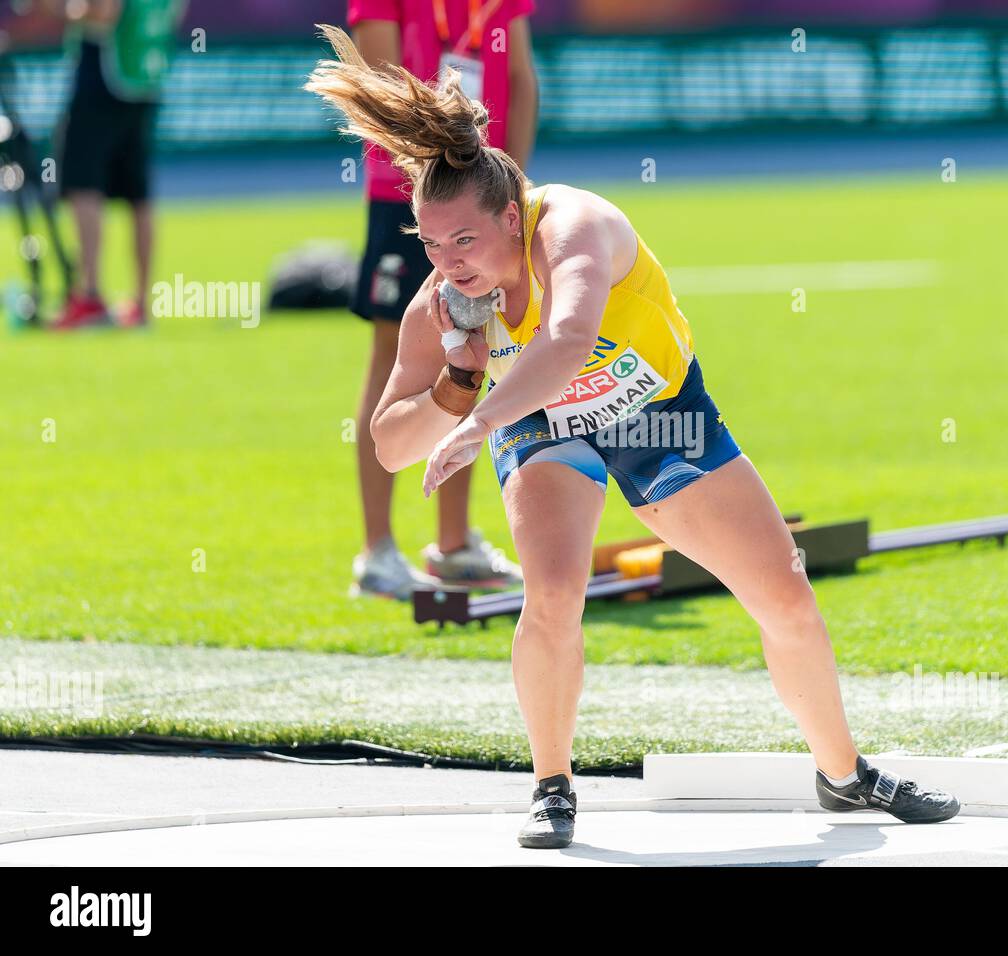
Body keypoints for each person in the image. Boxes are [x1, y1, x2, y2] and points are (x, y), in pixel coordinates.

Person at [306, 25, 961, 851]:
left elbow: (569, 339)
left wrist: (478, 419)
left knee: (785, 594)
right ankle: (552, 786)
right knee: (550, 594)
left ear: (512, 216)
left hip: (656, 410)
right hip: (541, 421)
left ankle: (844, 775)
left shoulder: (571, 226)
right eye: (433, 245)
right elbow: (392, 444)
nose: (450, 263)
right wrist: (459, 379)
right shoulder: (442, 303)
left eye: (465, 240)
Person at [346, 0, 537, 599]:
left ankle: (453, 545)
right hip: (406, 195)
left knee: (474, 347)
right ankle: (377, 551)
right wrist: (440, 185)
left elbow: (522, 79)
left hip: (484, 201)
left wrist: (509, 185)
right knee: (394, 357)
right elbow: (378, 86)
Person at [48, 0, 186, 330]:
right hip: (144, 74)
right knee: (138, 192)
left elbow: (103, 12)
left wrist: (58, 10)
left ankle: (91, 295)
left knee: (84, 184)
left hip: (105, 72)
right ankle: (140, 303)